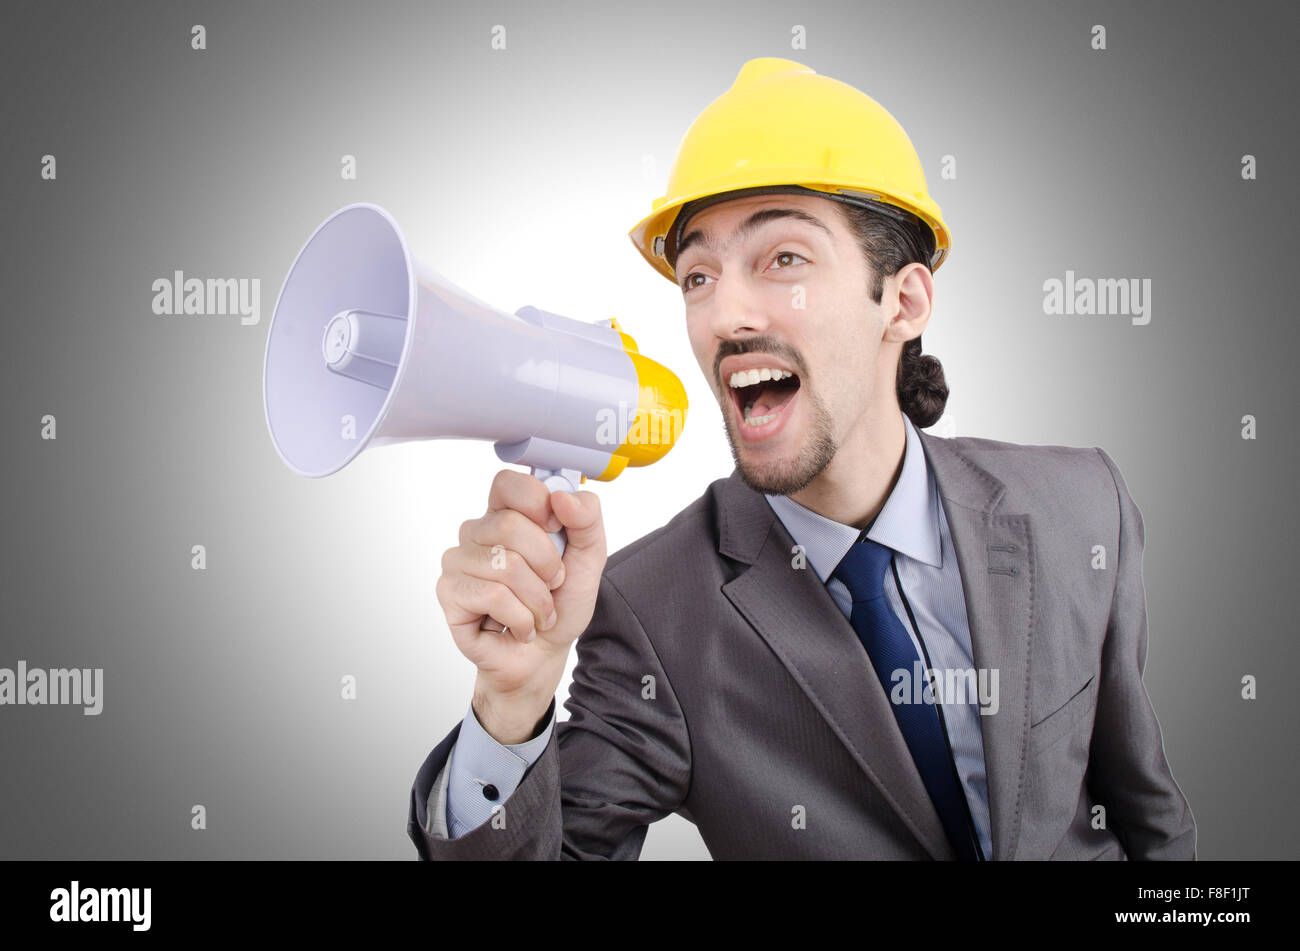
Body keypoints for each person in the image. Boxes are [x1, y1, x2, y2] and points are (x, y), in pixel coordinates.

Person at [406, 57, 1196, 860]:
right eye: (698, 276)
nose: (723, 314)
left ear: (904, 300)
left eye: (783, 258)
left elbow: (1149, 816)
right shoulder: (656, 611)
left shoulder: (1081, 506)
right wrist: (511, 704)